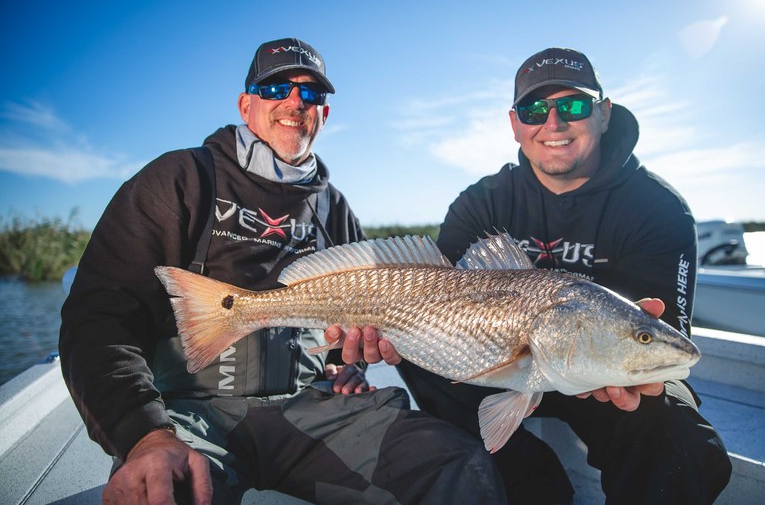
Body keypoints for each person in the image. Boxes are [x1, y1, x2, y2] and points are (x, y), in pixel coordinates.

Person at [59, 38, 506, 505]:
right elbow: (98, 318)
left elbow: (350, 328)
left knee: (459, 465)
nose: (295, 102)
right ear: (245, 103)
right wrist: (143, 436)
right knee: (168, 492)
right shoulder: (179, 179)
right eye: (275, 88)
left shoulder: (334, 209)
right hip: (189, 412)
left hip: (313, 408)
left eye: (311, 94)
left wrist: (343, 363)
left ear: (324, 115)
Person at [332, 47, 733, 504]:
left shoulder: (656, 208)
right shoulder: (483, 200)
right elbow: (427, 296)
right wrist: (357, 354)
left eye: (574, 106)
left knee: (685, 449)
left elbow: (659, 335)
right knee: (422, 354)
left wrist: (638, 368)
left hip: (606, 378)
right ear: (515, 123)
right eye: (535, 109)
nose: (554, 123)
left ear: (603, 114)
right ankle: (535, 485)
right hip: (500, 361)